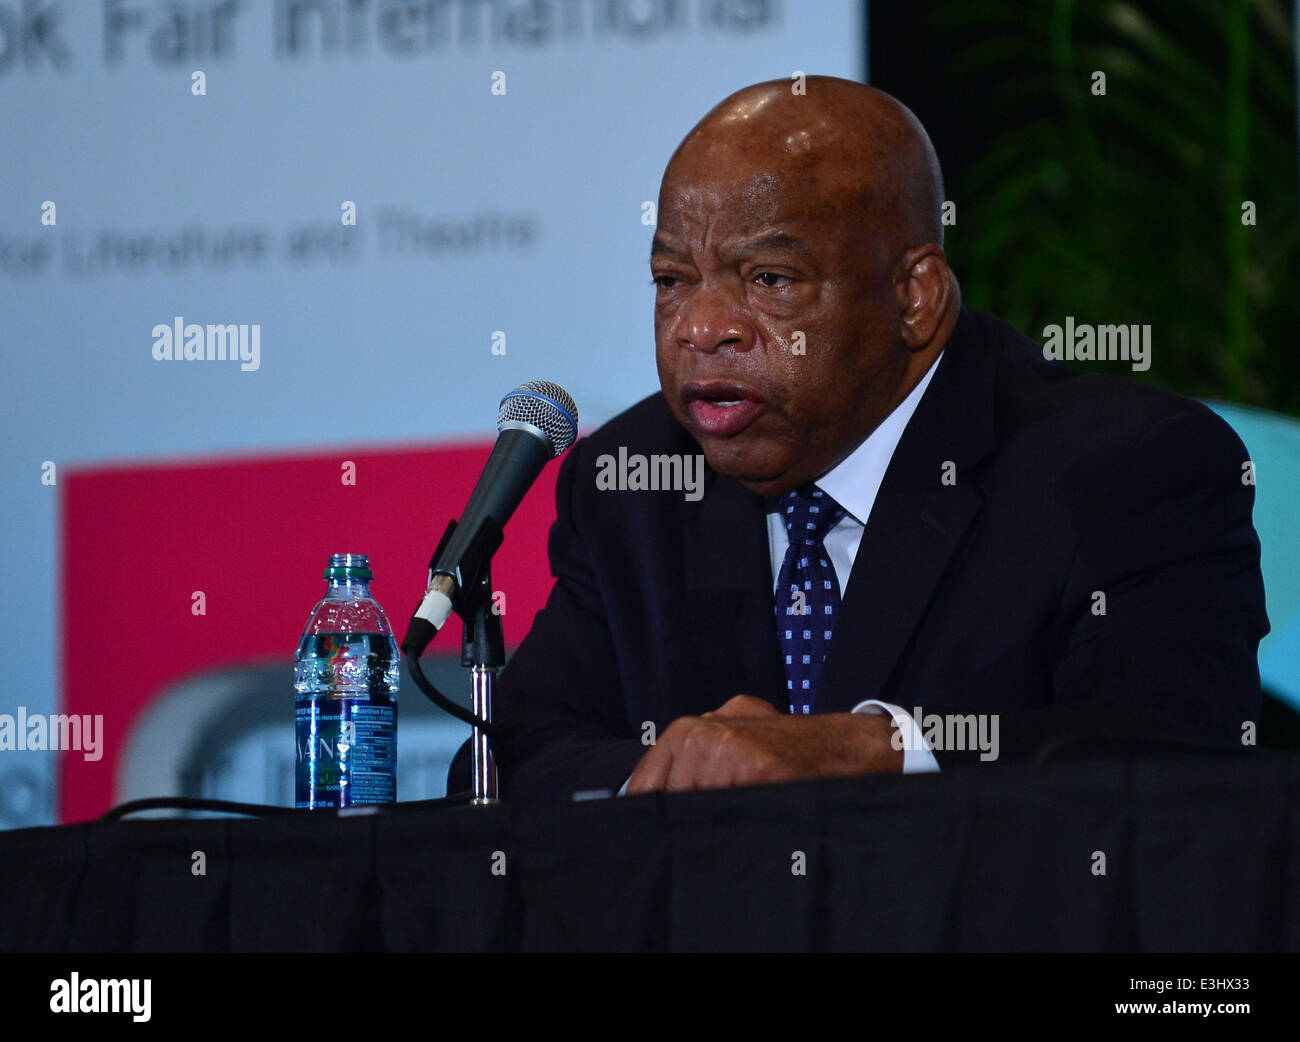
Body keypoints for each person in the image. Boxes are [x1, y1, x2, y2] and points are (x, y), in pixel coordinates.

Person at [473, 75, 1268, 807]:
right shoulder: (633, 481)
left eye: (769, 280)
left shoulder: (1122, 467)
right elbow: (510, 758)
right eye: (673, 280)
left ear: (914, 297)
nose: (699, 329)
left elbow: (1179, 754)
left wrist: (873, 750)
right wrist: (686, 778)